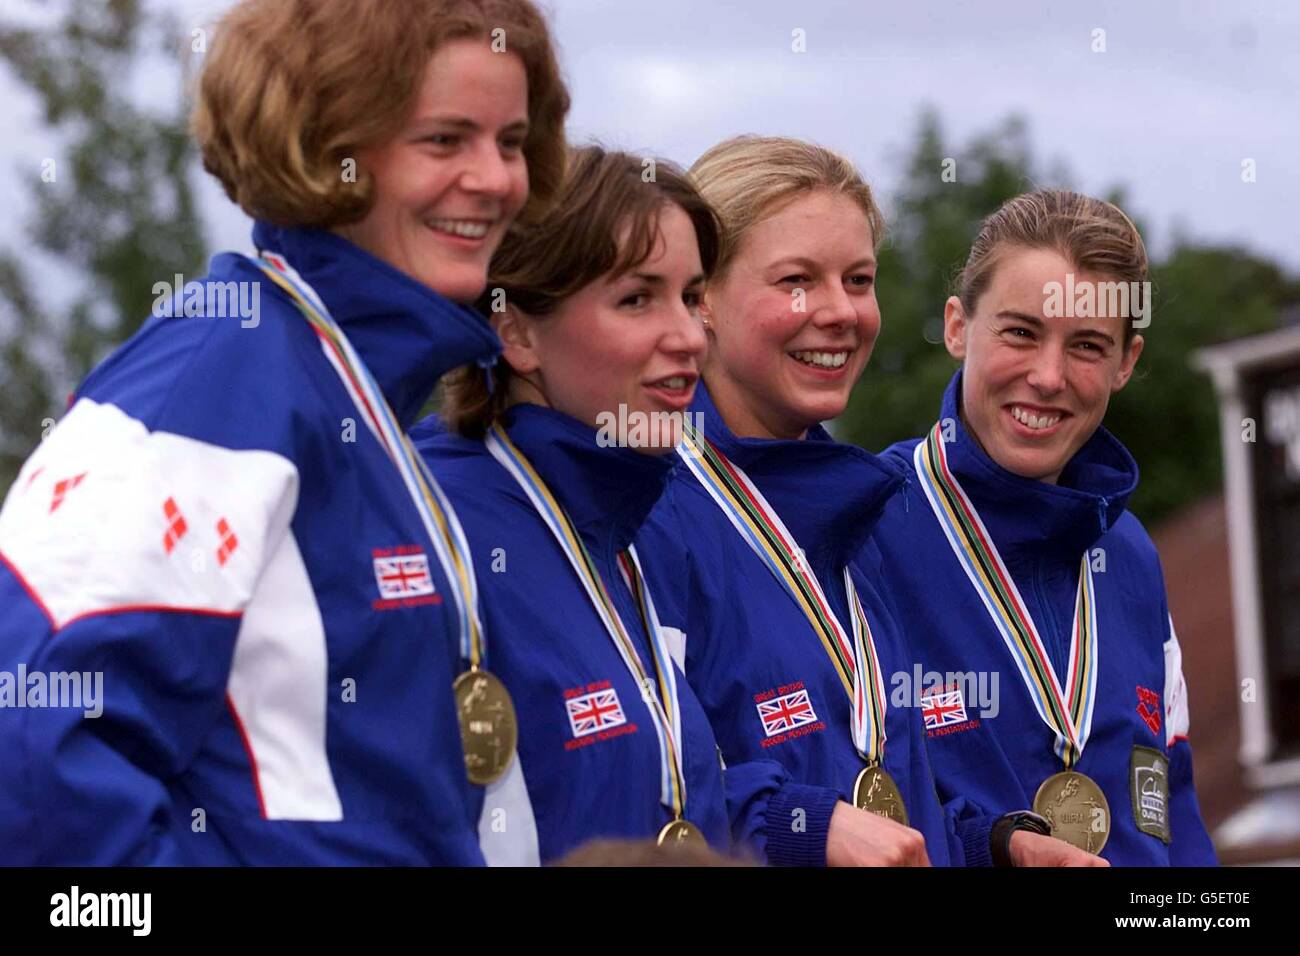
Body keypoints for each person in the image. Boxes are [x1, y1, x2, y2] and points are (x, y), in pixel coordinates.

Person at [0, 0, 569, 864]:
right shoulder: (217, 380)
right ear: (327, 144)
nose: (495, 180)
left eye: (513, 141)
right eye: (445, 140)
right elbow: (29, 754)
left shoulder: (357, 388)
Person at [872, 189, 1217, 864]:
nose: (1048, 376)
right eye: (1021, 332)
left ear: (1126, 363)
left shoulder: (1131, 555)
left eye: (1086, 346)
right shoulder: (865, 527)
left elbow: (1177, 810)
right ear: (956, 327)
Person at [414, 146, 730, 865]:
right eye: (637, 298)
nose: (687, 337)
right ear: (516, 332)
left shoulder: (633, 516)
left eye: (691, 296)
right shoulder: (429, 523)